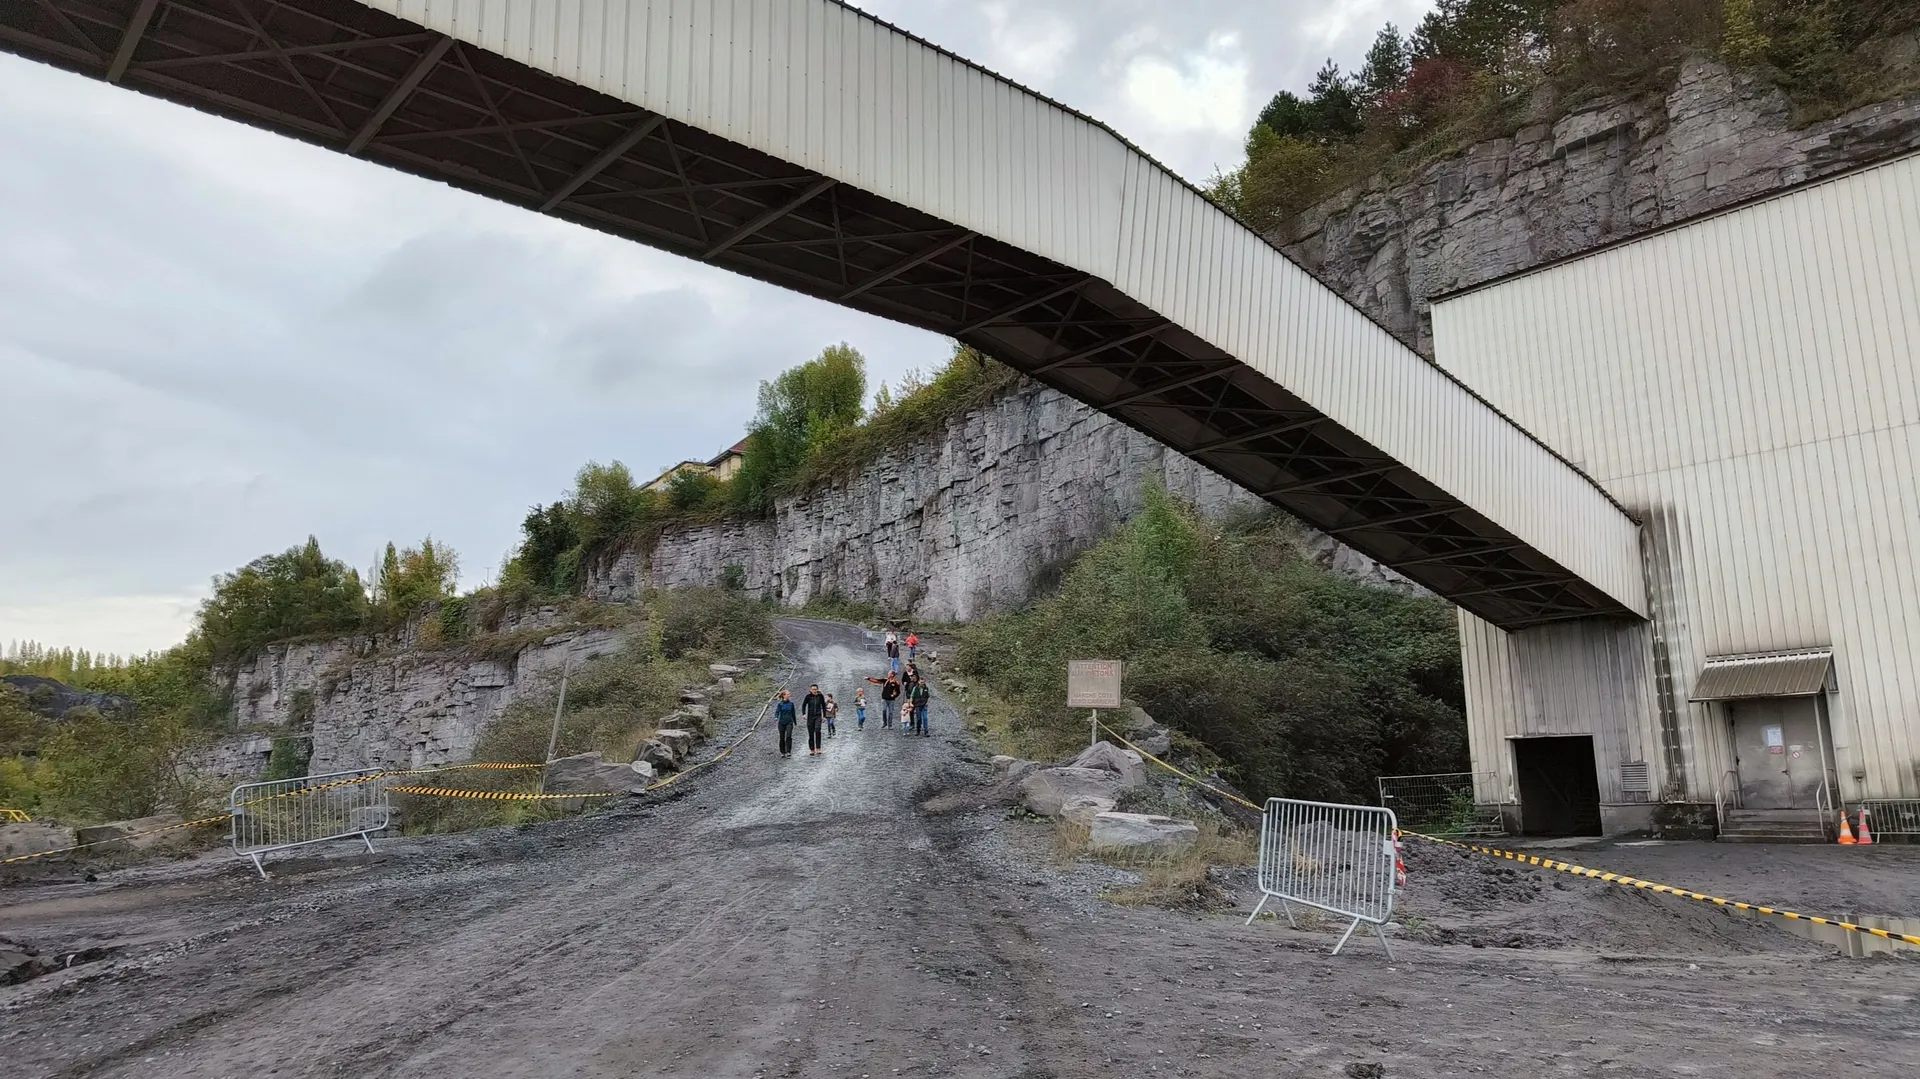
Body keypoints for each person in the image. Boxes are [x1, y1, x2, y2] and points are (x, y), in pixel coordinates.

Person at [801, 683, 828, 756]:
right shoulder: (808, 696)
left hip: (818, 716)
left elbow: (823, 706)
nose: (814, 691)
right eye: (813, 689)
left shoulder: (820, 696)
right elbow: (803, 705)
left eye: (815, 689)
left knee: (818, 730)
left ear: (817, 689)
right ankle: (812, 749)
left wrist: (824, 716)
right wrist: (803, 714)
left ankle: (818, 748)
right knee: (811, 733)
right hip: (810, 717)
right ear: (810, 690)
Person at [774, 689, 797, 758]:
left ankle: (788, 751)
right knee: (782, 737)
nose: (789, 695)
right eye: (788, 694)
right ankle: (782, 752)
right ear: (784, 695)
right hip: (781, 722)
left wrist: (795, 722)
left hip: (789, 722)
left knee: (789, 736)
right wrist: (776, 717)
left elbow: (793, 713)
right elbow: (777, 712)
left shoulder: (791, 704)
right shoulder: (780, 704)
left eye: (789, 694)